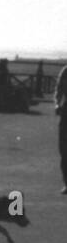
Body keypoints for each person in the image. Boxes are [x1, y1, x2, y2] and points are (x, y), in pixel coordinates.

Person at [56, 64, 67, 194]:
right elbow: (58, 89)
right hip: (66, 112)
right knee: (64, 149)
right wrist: (57, 103)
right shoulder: (65, 70)